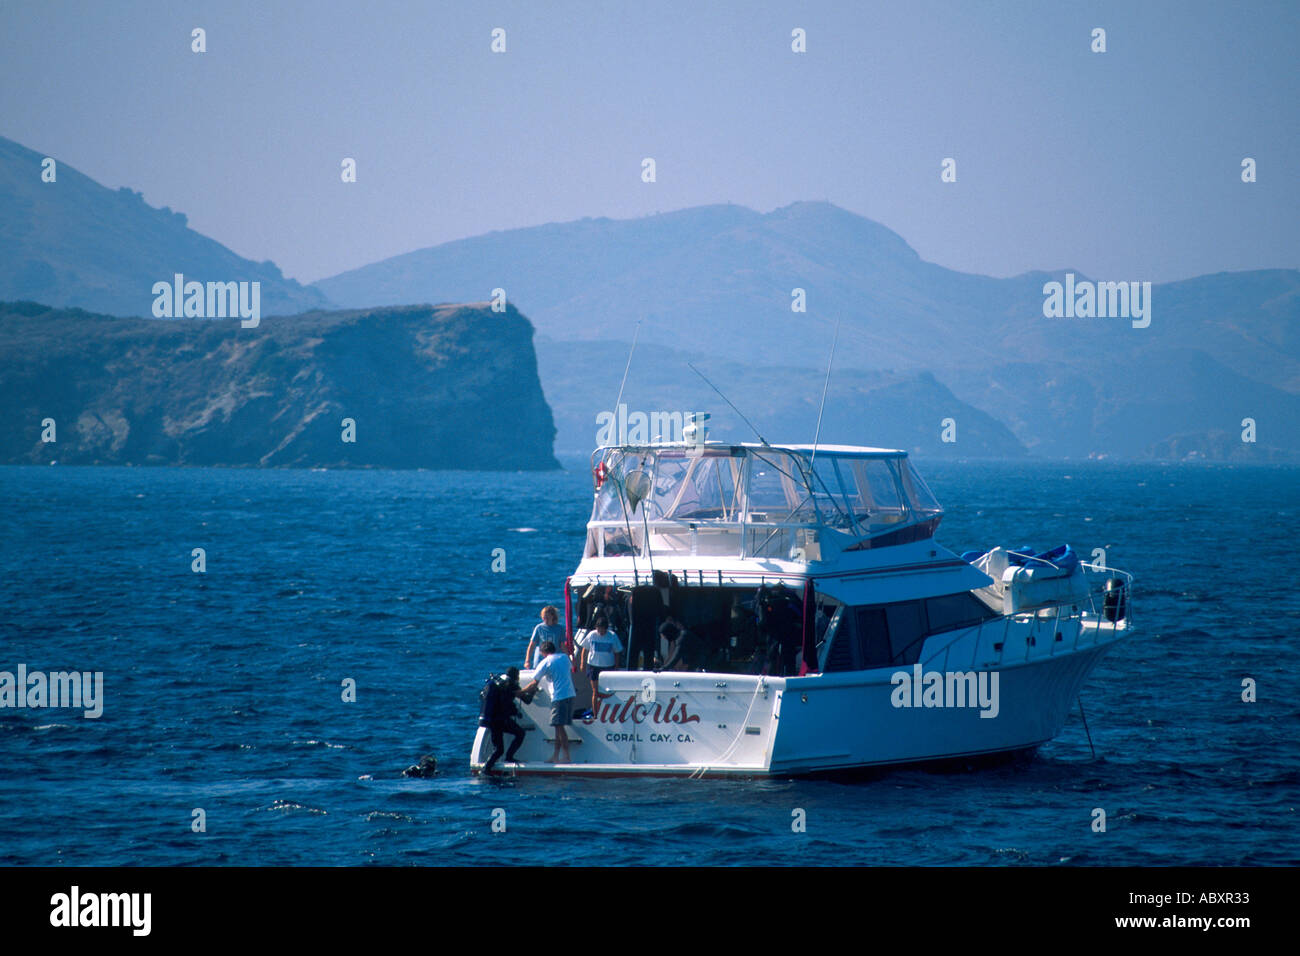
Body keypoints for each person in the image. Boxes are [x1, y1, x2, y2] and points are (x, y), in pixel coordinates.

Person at [520, 641, 576, 764]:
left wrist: (520, 692)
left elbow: (534, 682)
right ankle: (555, 756)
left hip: (559, 696)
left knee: (559, 727)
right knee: (558, 727)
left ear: (543, 652)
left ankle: (566, 756)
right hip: (570, 694)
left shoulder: (545, 662)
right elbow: (571, 668)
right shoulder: (564, 657)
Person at [576, 613, 623, 719]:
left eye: (603, 630)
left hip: (608, 667)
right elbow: (585, 649)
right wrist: (582, 663)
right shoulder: (592, 635)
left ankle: (609, 713)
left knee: (608, 691)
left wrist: (616, 666)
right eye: (599, 629)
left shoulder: (612, 636)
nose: (601, 632)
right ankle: (595, 714)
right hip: (593, 666)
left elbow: (617, 652)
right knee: (595, 691)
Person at [481, 666, 528, 773]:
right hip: (501, 720)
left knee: (498, 749)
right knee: (520, 733)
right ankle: (507, 757)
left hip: (493, 720)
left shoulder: (501, 683)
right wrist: (533, 688)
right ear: (516, 676)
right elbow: (527, 700)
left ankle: (486, 769)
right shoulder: (511, 685)